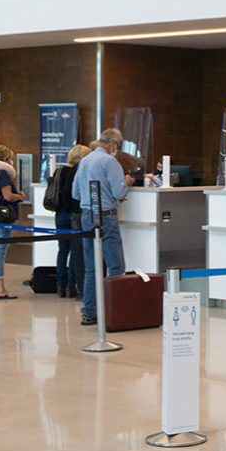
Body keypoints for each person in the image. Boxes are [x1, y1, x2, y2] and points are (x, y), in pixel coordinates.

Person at [72, 129, 135, 325]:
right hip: (106, 217)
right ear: (113, 143)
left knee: (91, 267)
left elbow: (76, 193)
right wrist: (126, 182)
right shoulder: (109, 162)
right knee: (115, 265)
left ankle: (89, 311)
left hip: (86, 216)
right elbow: (118, 191)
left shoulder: (85, 160)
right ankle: (113, 311)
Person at [0, 145, 26, 299]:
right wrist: (20, 196)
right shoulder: (3, 175)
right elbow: (8, 196)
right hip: (4, 217)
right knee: (0, 251)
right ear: (6, 159)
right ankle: (0, 289)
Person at [55, 144, 91, 300]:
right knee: (76, 251)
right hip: (74, 213)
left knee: (63, 249)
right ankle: (71, 285)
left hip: (60, 213)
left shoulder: (60, 170)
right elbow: (73, 195)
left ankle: (59, 285)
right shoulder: (79, 171)